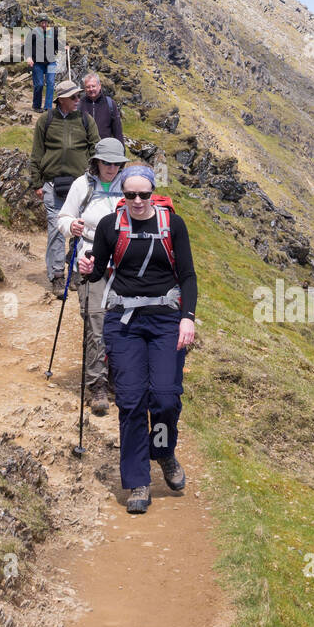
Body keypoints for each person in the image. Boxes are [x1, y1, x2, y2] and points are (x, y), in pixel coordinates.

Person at [79, 164, 197, 514]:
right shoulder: (109, 226)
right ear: (122, 195)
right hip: (124, 322)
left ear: (153, 193)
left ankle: (162, 451)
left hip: (165, 320)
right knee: (131, 401)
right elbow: (98, 270)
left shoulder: (173, 225)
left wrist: (187, 319)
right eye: (129, 195)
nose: (137, 201)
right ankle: (137, 481)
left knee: (163, 397)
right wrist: (88, 268)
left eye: (144, 194)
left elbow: (188, 275)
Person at [57, 138, 128, 416]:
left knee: (122, 321)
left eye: (117, 163)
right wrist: (70, 225)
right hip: (90, 259)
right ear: (96, 162)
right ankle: (97, 384)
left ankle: (118, 378)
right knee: (96, 319)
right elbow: (63, 217)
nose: (112, 168)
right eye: (107, 162)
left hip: (124, 262)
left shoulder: (129, 186)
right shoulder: (82, 186)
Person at [29, 80, 99, 294]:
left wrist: (96, 177)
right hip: (52, 184)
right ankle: (57, 276)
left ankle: (77, 271)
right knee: (56, 230)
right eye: (74, 97)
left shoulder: (86, 120)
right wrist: (37, 183)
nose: (79, 100)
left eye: (79, 96)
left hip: (81, 186)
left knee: (80, 228)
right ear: (61, 99)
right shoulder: (46, 120)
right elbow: (37, 152)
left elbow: (96, 149)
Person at [26, 15, 60, 112]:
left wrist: (65, 46)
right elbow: (27, 46)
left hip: (51, 62)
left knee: (51, 82)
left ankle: (48, 107)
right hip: (37, 62)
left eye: (46, 22)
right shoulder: (33, 33)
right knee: (39, 84)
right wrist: (29, 57)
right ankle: (36, 106)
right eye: (42, 22)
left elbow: (57, 44)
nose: (44, 24)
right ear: (38, 23)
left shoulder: (53, 32)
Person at [81, 71, 124, 147]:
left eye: (93, 86)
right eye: (88, 87)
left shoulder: (110, 104)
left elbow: (117, 131)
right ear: (85, 88)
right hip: (84, 150)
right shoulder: (79, 104)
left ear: (99, 86)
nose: (91, 89)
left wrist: (121, 151)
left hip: (105, 149)